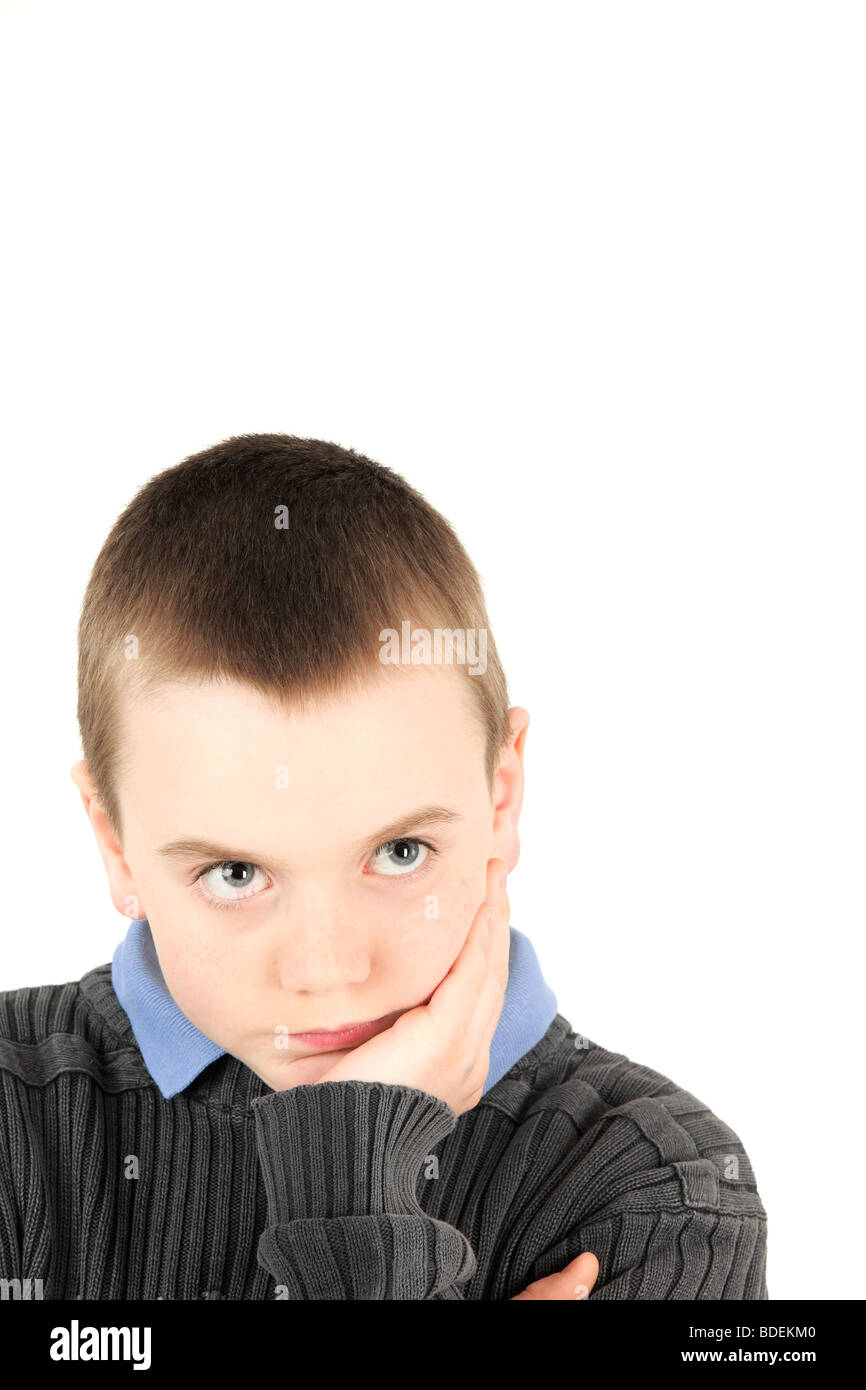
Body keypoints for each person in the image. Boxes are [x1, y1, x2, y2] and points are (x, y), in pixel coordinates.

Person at [0, 434, 767, 1299]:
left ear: (502, 798)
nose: (327, 970)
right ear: (114, 842)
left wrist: (350, 1163)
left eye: (400, 854)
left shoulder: (659, 1196)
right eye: (236, 875)